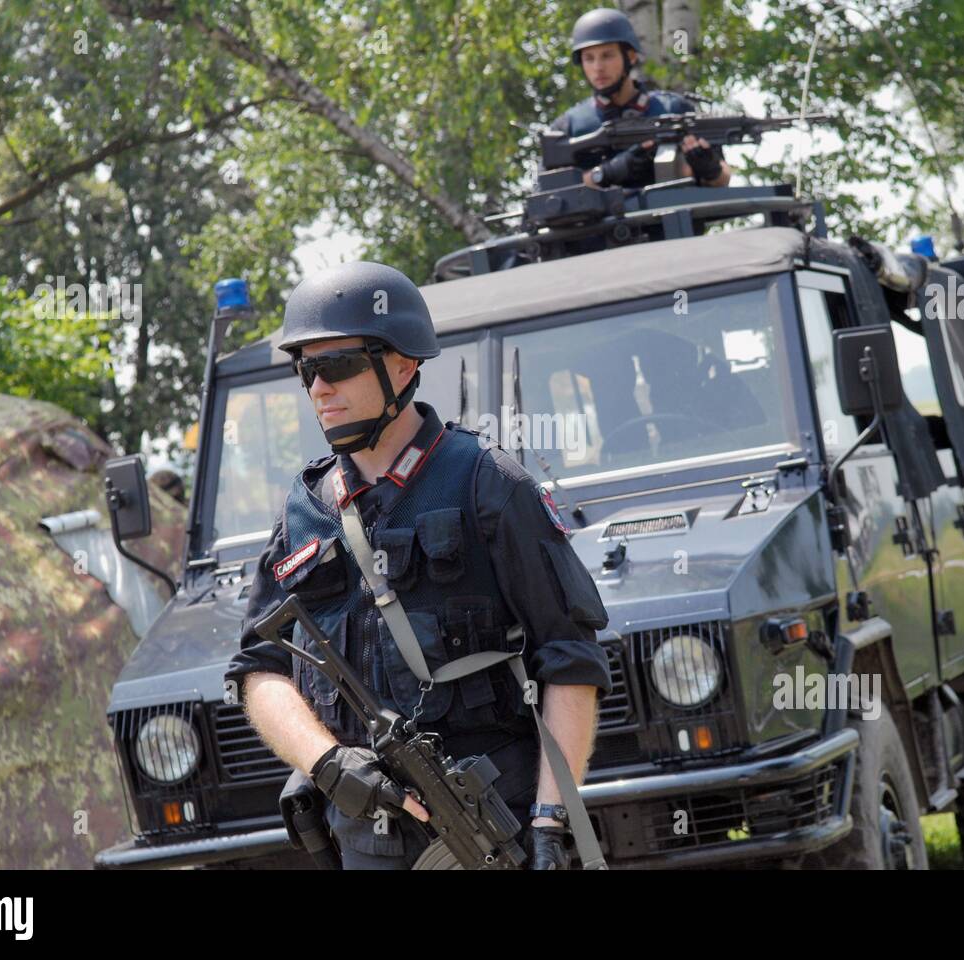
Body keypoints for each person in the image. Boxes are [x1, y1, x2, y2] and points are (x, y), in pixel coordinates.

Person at [224, 261, 612, 869]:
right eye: (305, 370)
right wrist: (326, 762)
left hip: (490, 820)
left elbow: (570, 657)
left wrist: (549, 821)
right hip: (364, 835)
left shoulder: (485, 482)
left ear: (403, 366)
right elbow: (258, 670)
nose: (318, 388)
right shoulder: (305, 509)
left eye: (336, 366)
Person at [549, 7, 733, 189]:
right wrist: (604, 173)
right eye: (589, 58)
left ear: (630, 56)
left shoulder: (674, 109)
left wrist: (710, 170)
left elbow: (723, 179)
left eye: (607, 56)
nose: (598, 67)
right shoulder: (569, 126)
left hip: (673, 217)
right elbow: (548, 192)